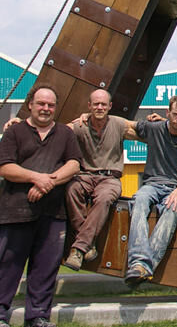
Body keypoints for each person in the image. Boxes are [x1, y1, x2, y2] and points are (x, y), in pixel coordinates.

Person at [0, 84, 81, 327]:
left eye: (50, 105)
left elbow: (74, 164)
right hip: (16, 210)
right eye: (41, 104)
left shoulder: (65, 134)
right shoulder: (14, 133)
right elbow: (5, 167)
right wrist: (36, 177)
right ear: (30, 106)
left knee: (45, 269)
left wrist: (48, 182)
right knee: (6, 266)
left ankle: (38, 316)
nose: (46, 109)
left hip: (53, 213)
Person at [124, 94, 177, 287]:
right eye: (175, 114)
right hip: (151, 184)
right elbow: (124, 125)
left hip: (176, 188)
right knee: (139, 200)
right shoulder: (154, 128)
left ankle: (142, 266)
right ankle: (140, 261)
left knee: (173, 208)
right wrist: (90, 117)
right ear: (167, 113)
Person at [63, 88, 137, 271]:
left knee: (104, 198)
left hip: (110, 178)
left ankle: (78, 249)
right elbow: (56, 131)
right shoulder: (80, 126)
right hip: (85, 175)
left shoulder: (118, 124)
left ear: (110, 106)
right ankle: (87, 245)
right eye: (96, 104)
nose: (99, 107)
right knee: (71, 190)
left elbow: (142, 129)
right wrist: (19, 123)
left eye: (103, 104)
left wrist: (156, 121)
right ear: (89, 106)